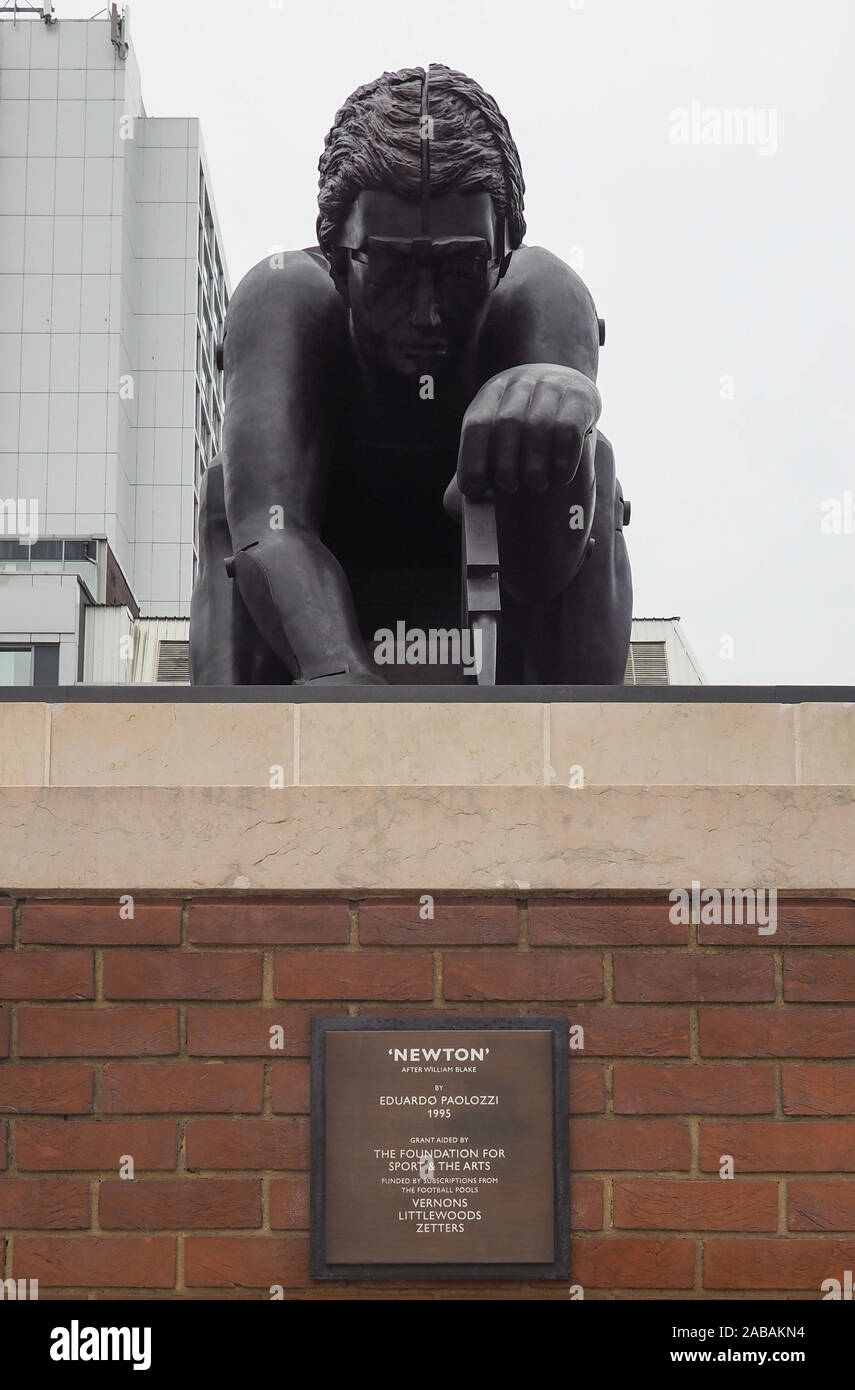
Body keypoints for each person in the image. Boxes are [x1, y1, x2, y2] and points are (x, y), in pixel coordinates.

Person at [189, 64, 632, 686]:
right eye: (392, 268)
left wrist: (549, 444)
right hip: (321, 575)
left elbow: (542, 573)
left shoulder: (541, 294)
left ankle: (583, 741)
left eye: (461, 269)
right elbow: (269, 527)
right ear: (336, 257)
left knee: (590, 460)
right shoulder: (286, 297)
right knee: (229, 491)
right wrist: (346, 687)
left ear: (504, 253)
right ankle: (233, 742)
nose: (427, 313)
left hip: (500, 581)